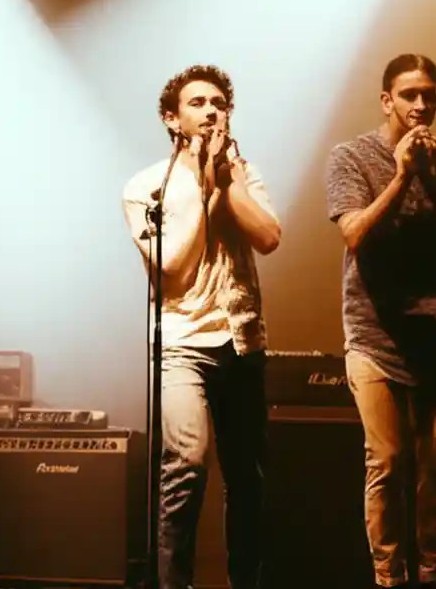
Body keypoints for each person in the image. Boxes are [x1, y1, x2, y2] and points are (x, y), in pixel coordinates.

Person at [122, 64, 281, 589]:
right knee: (186, 464)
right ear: (172, 119)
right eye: (198, 103)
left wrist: (227, 180)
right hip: (181, 343)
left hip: (241, 339)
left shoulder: (243, 173)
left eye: (219, 103)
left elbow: (269, 237)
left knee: (248, 478)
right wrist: (207, 190)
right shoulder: (147, 187)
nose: (212, 111)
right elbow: (174, 268)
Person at [326, 54, 436, 589]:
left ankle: (432, 575)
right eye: (410, 94)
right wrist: (401, 176)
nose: (421, 104)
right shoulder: (351, 156)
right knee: (388, 463)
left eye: (429, 95)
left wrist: (432, 180)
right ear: (386, 99)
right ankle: (389, 578)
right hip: (375, 338)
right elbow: (355, 234)